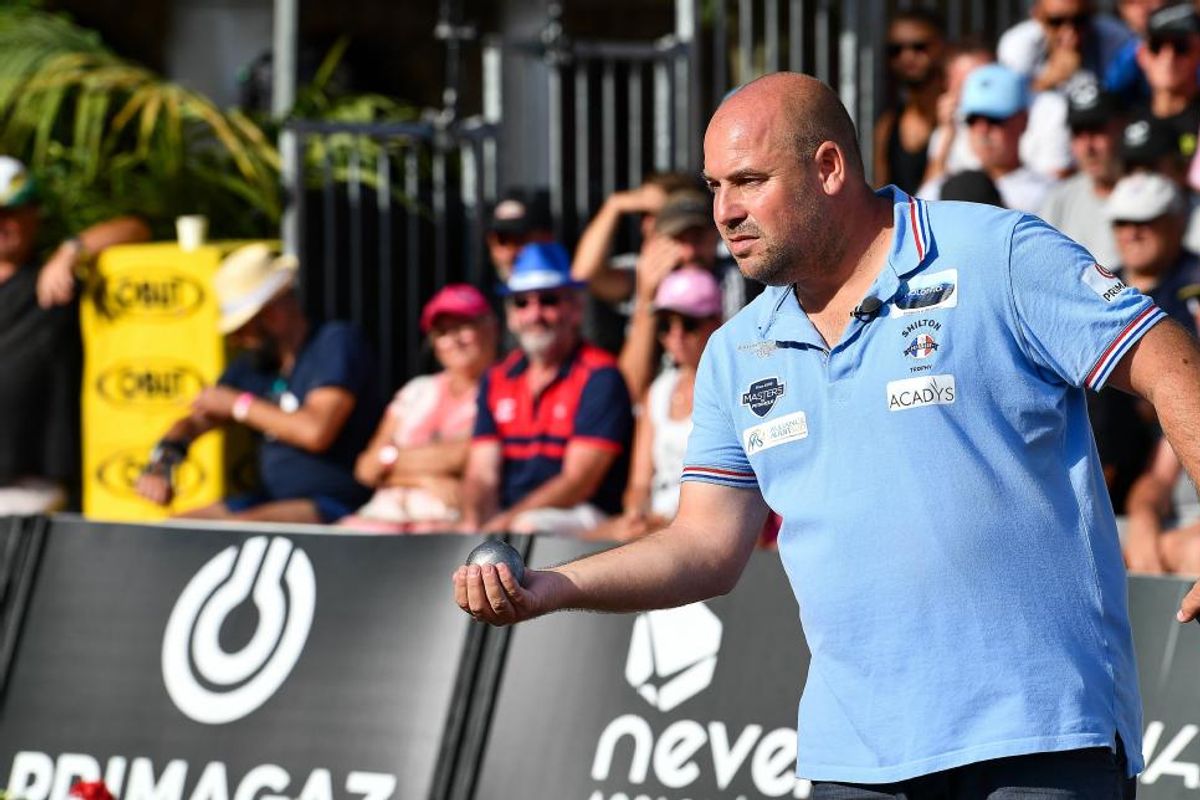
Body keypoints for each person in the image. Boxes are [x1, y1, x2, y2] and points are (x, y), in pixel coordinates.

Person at [454, 71, 1200, 796]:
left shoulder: (995, 253)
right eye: (715, 187)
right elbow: (706, 547)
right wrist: (552, 586)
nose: (724, 212)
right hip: (857, 758)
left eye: (747, 181)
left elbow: (1167, 360)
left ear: (830, 167)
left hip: (1040, 739)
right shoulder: (735, 351)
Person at [135, 243, 381, 523]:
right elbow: (194, 422)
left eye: (242, 329)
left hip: (337, 504)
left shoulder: (335, 343)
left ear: (273, 313)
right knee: (173, 532)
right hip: (269, 499)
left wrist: (238, 405)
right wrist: (162, 462)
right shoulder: (253, 365)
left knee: (238, 534)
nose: (237, 340)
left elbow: (315, 431)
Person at [0, 155, 150, 514]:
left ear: (34, 214)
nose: (3, 224)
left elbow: (136, 229)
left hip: (29, 488)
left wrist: (70, 251)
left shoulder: (51, 283)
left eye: (12, 212)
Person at [460, 242, 633, 537]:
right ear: (511, 315)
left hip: (583, 515)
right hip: (511, 518)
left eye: (549, 300)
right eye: (521, 303)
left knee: (527, 527)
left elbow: (578, 482)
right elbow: (481, 474)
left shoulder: (601, 376)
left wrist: (501, 525)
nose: (534, 313)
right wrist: (476, 523)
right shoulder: (496, 377)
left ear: (576, 309)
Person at [340, 284, 498, 533]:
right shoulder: (417, 390)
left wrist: (390, 458)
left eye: (463, 327)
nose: (454, 340)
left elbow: (459, 457)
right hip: (382, 519)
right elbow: (365, 468)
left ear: (490, 326)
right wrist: (425, 479)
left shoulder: (503, 387)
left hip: (449, 527)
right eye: (443, 332)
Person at [589, 268, 722, 542]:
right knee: (572, 537)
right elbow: (639, 482)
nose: (675, 335)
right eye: (664, 325)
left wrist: (663, 526)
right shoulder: (658, 391)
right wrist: (637, 514)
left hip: (706, 525)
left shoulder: (729, 387)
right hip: (656, 522)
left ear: (716, 322)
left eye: (688, 323)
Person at [918, 63, 1056, 212]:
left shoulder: (1050, 195)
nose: (982, 130)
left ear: (1022, 120)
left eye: (994, 119)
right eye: (973, 119)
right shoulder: (947, 186)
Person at [1039, 84, 1126, 266]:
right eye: (1078, 134)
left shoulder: (1151, 193)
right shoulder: (1058, 201)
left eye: (1097, 131)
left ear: (1121, 128)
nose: (1088, 148)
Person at [872, 9, 946, 193]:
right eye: (895, 50)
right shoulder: (887, 125)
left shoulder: (963, 117)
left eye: (919, 47)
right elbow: (882, 196)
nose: (907, 56)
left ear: (943, 47)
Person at [999, 0, 1133, 95]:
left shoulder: (1115, 38)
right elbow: (1010, 108)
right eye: (1056, 22)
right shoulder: (1017, 45)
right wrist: (1047, 82)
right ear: (1037, 16)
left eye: (1079, 20)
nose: (1069, 33)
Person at [1131, 3, 1200, 162]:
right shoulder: (1124, 120)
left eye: (1181, 47)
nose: (1168, 58)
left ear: (1198, 52)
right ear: (1142, 55)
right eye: (1156, 46)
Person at [485, 187, 555, 283]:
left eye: (521, 240)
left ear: (547, 238)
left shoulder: (567, 293)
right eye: (503, 240)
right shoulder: (477, 293)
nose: (512, 252)